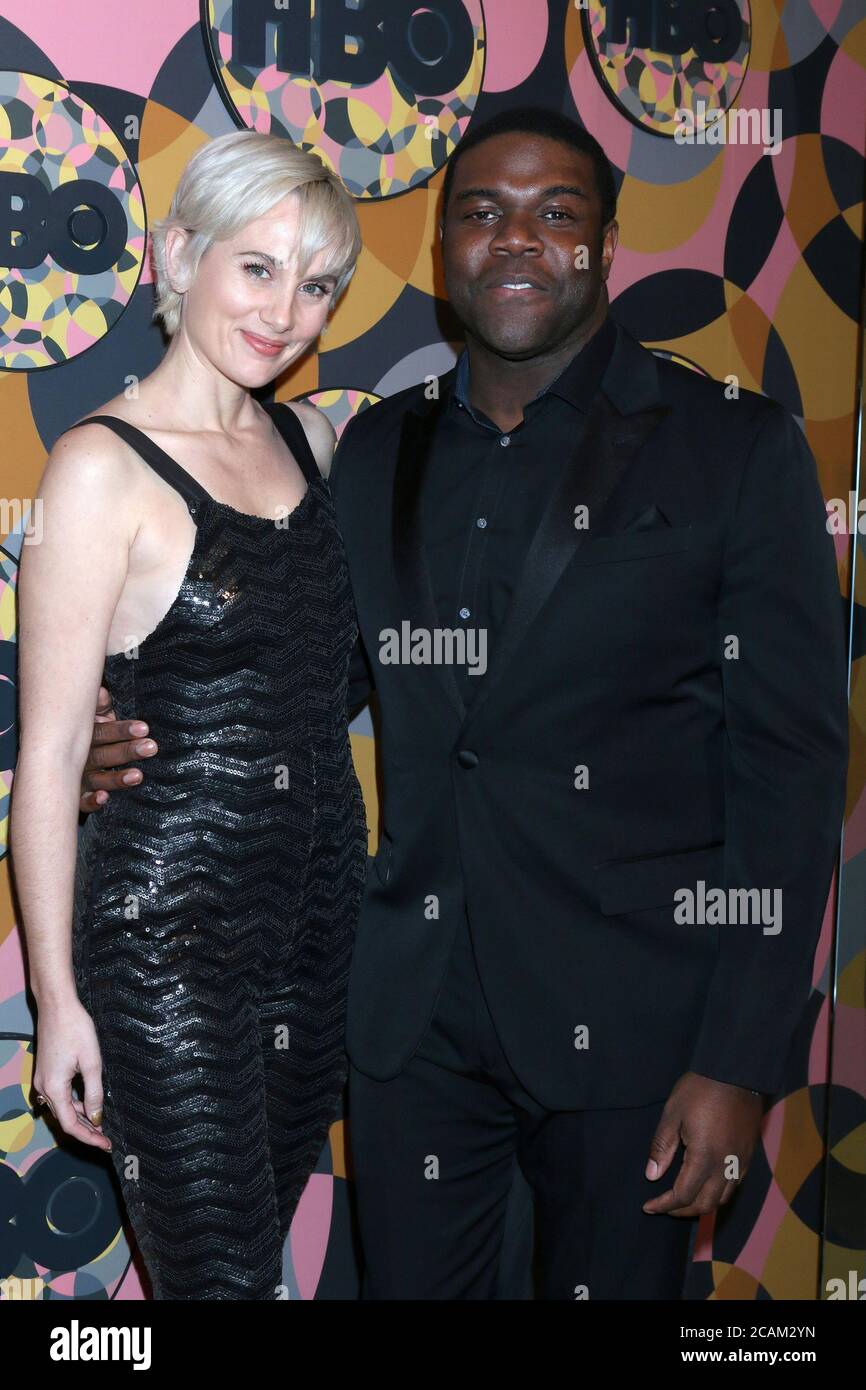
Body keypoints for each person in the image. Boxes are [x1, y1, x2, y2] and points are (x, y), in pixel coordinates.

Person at [77, 108, 849, 1300]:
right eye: (482, 214)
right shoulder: (373, 451)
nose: (517, 241)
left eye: (557, 214)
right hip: (409, 1032)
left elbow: (790, 772)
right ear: (440, 253)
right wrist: (122, 743)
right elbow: (298, 680)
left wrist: (737, 1060)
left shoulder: (728, 448)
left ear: (604, 243)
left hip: (635, 1039)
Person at [11, 129, 367, 1300]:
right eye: (256, 268)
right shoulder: (97, 470)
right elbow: (53, 754)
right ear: (180, 253)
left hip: (315, 943)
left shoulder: (313, 443)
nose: (286, 313)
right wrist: (59, 1003)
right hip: (167, 946)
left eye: (315, 284)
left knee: (251, 1273)